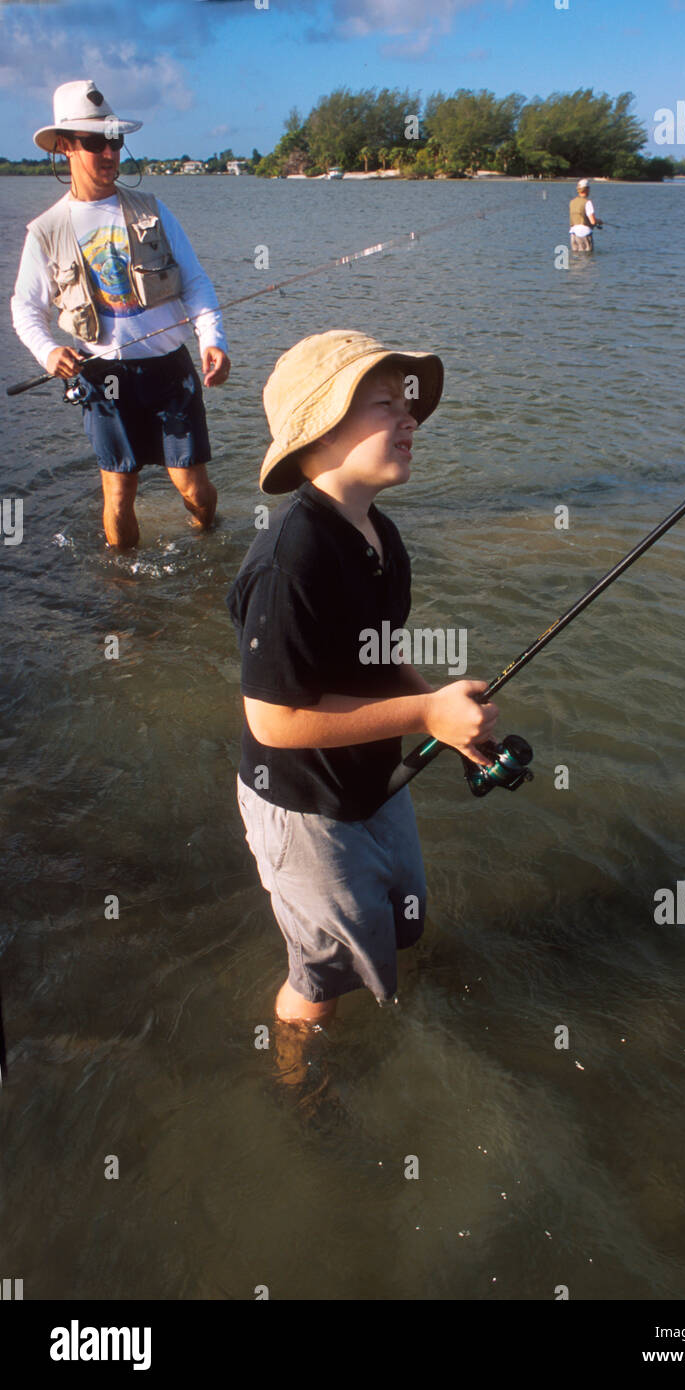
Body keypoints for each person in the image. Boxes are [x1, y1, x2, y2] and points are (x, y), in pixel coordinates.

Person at [227, 330, 500, 1027]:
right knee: (322, 978)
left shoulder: (379, 533)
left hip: (374, 782)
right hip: (304, 803)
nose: (409, 418)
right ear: (318, 431)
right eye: (384, 404)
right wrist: (423, 717)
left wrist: (439, 707)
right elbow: (272, 721)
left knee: (400, 918)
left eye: (406, 403)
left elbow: (377, 651)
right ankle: (301, 1093)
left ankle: (400, 1008)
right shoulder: (290, 561)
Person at [11, 80, 230, 549]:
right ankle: (126, 598)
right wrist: (48, 352)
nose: (109, 153)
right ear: (66, 147)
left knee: (193, 487)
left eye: (115, 140)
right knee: (118, 494)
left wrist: (213, 339)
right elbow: (24, 307)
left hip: (171, 369)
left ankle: (211, 547)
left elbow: (195, 282)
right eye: (95, 143)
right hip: (102, 376)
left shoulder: (152, 210)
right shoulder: (45, 232)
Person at [568, 177, 603, 254]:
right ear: (586, 189)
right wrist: (599, 221)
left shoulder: (572, 202)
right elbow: (593, 221)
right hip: (585, 234)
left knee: (576, 260)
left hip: (573, 234)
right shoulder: (588, 202)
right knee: (587, 259)